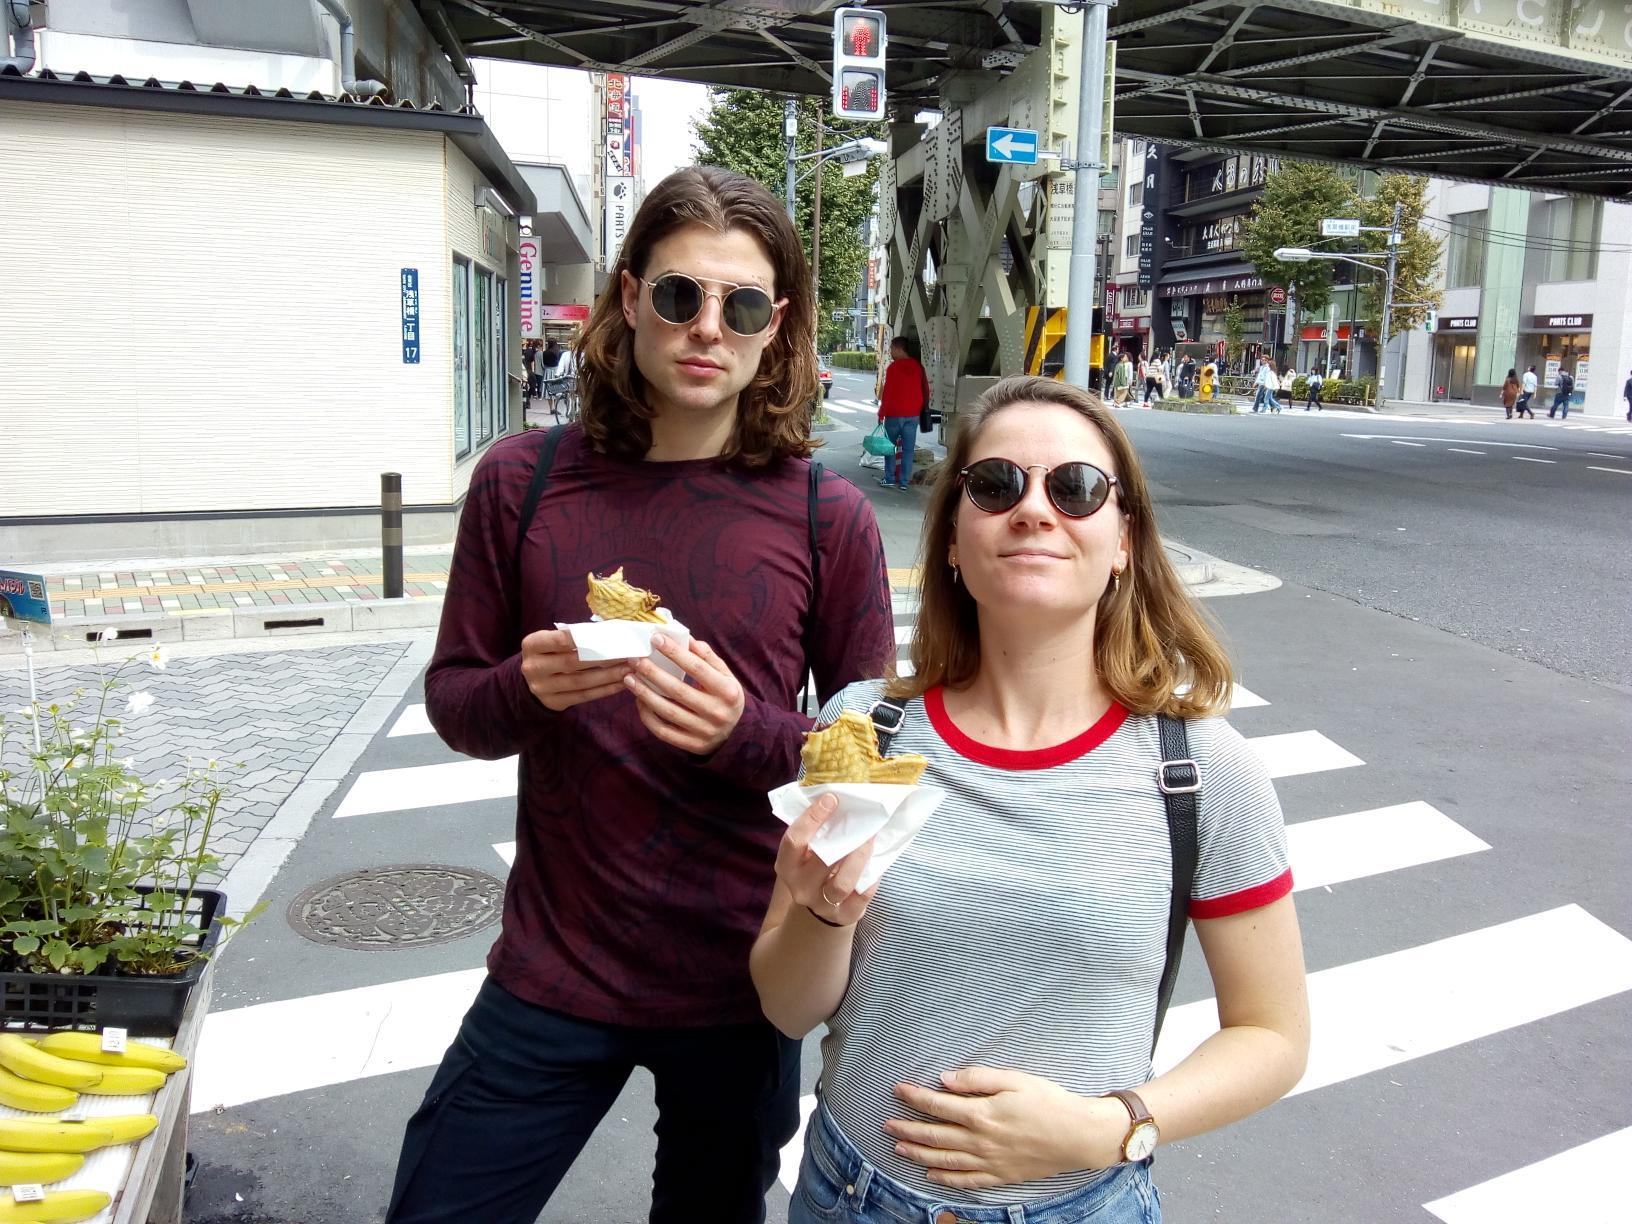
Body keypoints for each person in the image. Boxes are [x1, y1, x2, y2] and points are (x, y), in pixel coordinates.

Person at [385, 166, 897, 1224]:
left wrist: (746, 732)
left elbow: (869, 758)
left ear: (777, 328)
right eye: (679, 296)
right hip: (551, 968)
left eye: (742, 305)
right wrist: (528, 690)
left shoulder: (825, 517)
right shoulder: (522, 482)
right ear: (630, 298)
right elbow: (454, 702)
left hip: (740, 981)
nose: (708, 328)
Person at [754, 375, 1309, 1224]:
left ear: (1123, 539)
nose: (1035, 510)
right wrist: (822, 911)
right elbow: (786, 1004)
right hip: (849, 1196)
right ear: (951, 538)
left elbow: (1273, 1036)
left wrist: (1111, 1128)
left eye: (1077, 488)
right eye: (995, 484)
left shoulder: (1200, 769)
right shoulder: (865, 730)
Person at [877, 335, 928, 491]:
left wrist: (881, 413)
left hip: (894, 415)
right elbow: (925, 390)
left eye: (892, 348)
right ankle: (904, 482)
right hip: (912, 415)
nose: (891, 352)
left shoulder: (894, 368)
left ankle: (890, 478)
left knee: (890, 448)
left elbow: (888, 393)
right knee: (908, 450)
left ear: (899, 349)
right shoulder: (919, 367)